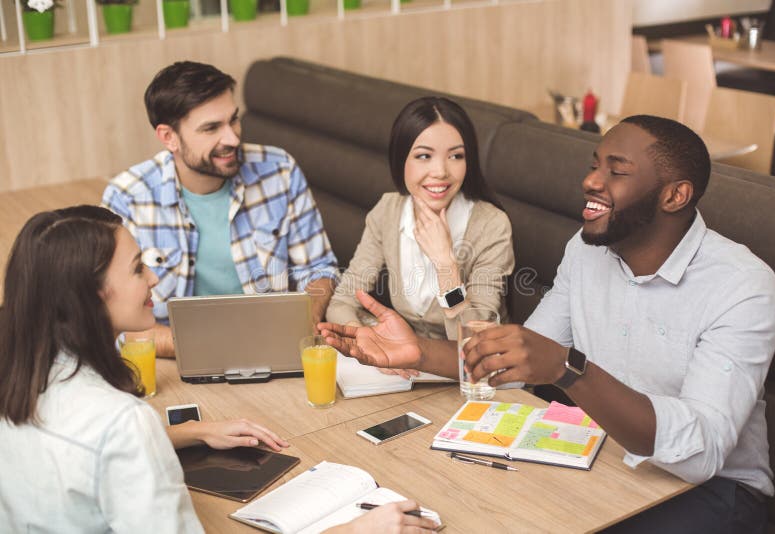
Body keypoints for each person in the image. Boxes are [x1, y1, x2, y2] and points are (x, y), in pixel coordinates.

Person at [320, 115, 775, 533]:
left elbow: (701, 451)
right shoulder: (585, 251)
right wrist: (419, 352)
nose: (590, 181)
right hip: (601, 453)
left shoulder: (742, 286)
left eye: (616, 171)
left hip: (710, 492)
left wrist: (568, 370)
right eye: (594, 165)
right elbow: (517, 358)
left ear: (674, 195)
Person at [0, 206, 437, 533]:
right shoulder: (121, 423)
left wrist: (187, 433)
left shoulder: (18, 376)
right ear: (92, 296)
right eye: (137, 269)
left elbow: (85, 454)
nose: (153, 278)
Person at [102, 61, 338, 357]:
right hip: (175, 358)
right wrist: (218, 346)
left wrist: (304, 321)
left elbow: (319, 270)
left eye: (233, 120)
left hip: (272, 347)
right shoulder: (127, 198)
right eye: (211, 128)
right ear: (169, 137)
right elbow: (113, 320)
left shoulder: (280, 171)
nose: (233, 138)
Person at [326, 96, 514, 376]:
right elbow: (342, 301)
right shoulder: (388, 211)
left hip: (478, 378)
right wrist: (372, 344)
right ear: (401, 159)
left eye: (456, 156)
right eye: (424, 156)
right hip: (412, 372)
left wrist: (446, 265)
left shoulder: (491, 225)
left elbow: (477, 342)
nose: (440, 172)